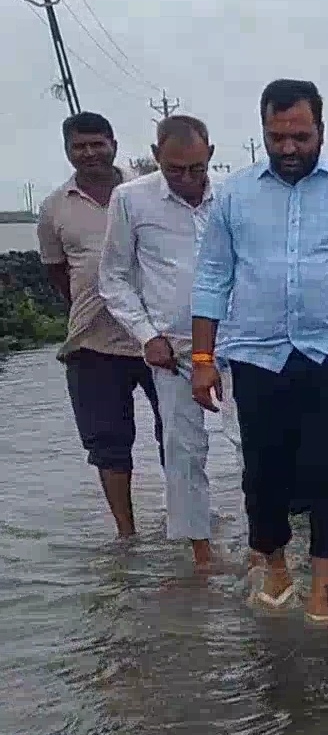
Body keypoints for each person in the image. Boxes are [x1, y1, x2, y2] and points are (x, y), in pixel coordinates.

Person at [190, 79, 328, 622]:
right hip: (257, 356)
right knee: (263, 474)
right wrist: (202, 361)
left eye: (300, 136)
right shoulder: (236, 195)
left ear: (321, 129)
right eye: (277, 136)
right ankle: (274, 565)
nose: (289, 148)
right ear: (263, 131)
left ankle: (322, 594)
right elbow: (212, 279)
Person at [99, 115, 235, 567]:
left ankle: (264, 546)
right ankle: (200, 553)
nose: (186, 179)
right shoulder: (130, 199)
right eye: (175, 169)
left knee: (255, 443)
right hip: (172, 351)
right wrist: (146, 335)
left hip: (239, 344)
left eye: (196, 168)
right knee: (183, 449)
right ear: (156, 157)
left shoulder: (233, 196)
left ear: (211, 155)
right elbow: (114, 278)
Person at [38, 111, 163, 538]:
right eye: (79, 146)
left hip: (159, 339)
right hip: (91, 344)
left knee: (180, 435)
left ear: (113, 143)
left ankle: (188, 521)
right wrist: (94, 302)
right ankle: (125, 535)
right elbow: (57, 272)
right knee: (108, 447)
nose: (89, 152)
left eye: (97, 143)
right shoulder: (53, 208)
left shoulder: (147, 190)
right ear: (68, 150)